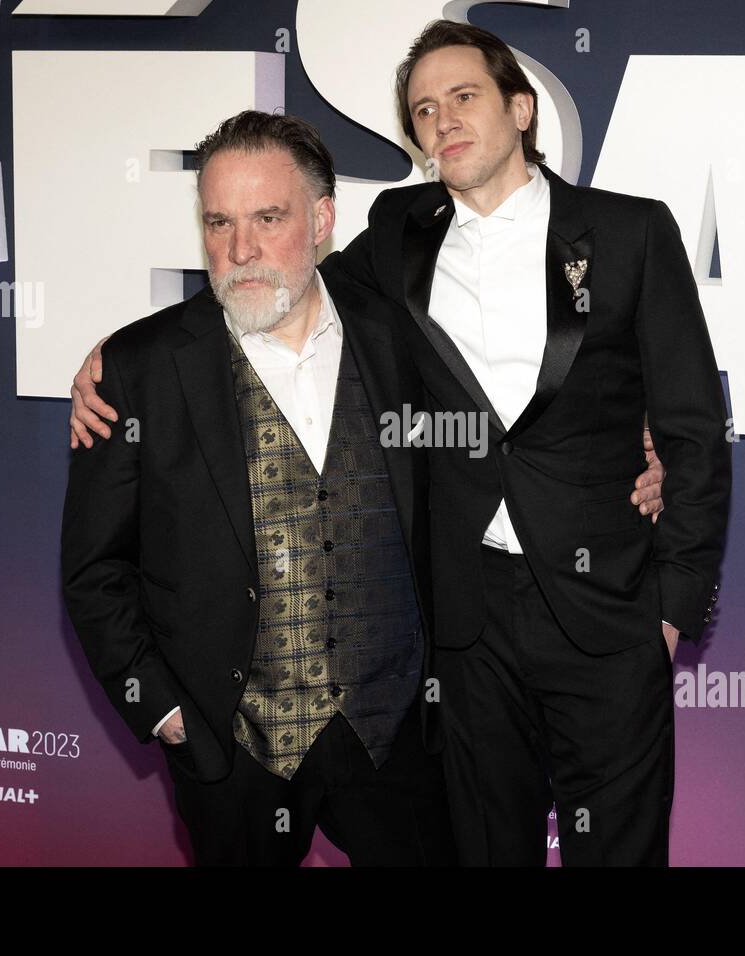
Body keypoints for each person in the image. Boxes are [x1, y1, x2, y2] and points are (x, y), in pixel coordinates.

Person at [69, 18, 710, 865]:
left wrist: (672, 608)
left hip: (602, 613)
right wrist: (109, 355)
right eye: (423, 108)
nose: (442, 118)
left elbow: (696, 428)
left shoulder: (630, 232)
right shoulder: (400, 234)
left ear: (522, 108)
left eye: (464, 96)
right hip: (460, 632)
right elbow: (275, 279)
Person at [61, 112, 467, 865]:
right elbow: (95, 571)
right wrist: (166, 711)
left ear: (321, 220)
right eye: (218, 222)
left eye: (267, 218)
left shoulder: (403, 338)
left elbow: (502, 440)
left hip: (394, 729)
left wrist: (641, 439)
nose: (239, 250)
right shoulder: (138, 368)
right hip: (234, 744)